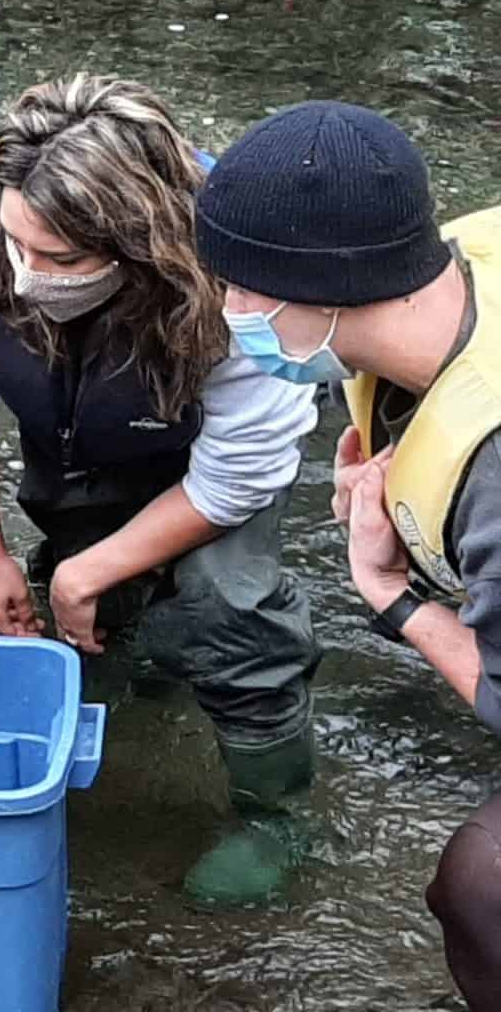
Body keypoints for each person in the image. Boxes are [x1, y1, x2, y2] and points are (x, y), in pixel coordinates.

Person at [0, 76, 321, 905]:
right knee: (87, 602)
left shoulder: (245, 291)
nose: (29, 276)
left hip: (212, 461)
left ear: (142, 240)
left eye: (61, 259)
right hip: (78, 441)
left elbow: (233, 474)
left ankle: (276, 815)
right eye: (18, 244)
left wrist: (86, 573)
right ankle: (138, 681)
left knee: (226, 606)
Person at [194, 99, 501, 1009]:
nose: (227, 310)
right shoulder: (453, 266)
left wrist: (389, 592)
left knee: (481, 888)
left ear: (310, 294)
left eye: (236, 288)